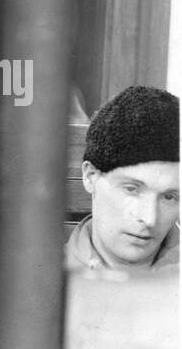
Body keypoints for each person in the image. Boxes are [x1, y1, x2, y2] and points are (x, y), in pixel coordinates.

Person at [67, 85, 179, 274]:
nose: (149, 219)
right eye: (132, 189)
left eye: (168, 197)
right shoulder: (41, 281)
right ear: (90, 176)